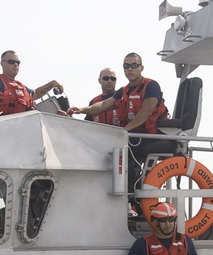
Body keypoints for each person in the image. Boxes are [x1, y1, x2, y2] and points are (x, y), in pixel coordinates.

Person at [69, 53, 173, 190]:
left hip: (153, 135)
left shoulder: (151, 86)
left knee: (120, 147)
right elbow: (103, 105)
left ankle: (131, 190)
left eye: (134, 65)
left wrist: (124, 131)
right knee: (112, 147)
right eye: (126, 66)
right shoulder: (124, 91)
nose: (130, 69)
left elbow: (146, 111)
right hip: (135, 135)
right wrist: (81, 110)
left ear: (141, 68)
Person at [0, 50, 64, 116]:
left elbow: (35, 94)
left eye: (18, 62)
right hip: (2, 126)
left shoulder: (20, 86)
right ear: (2, 64)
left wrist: (51, 84)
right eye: (11, 61)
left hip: (23, 126)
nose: (15, 64)